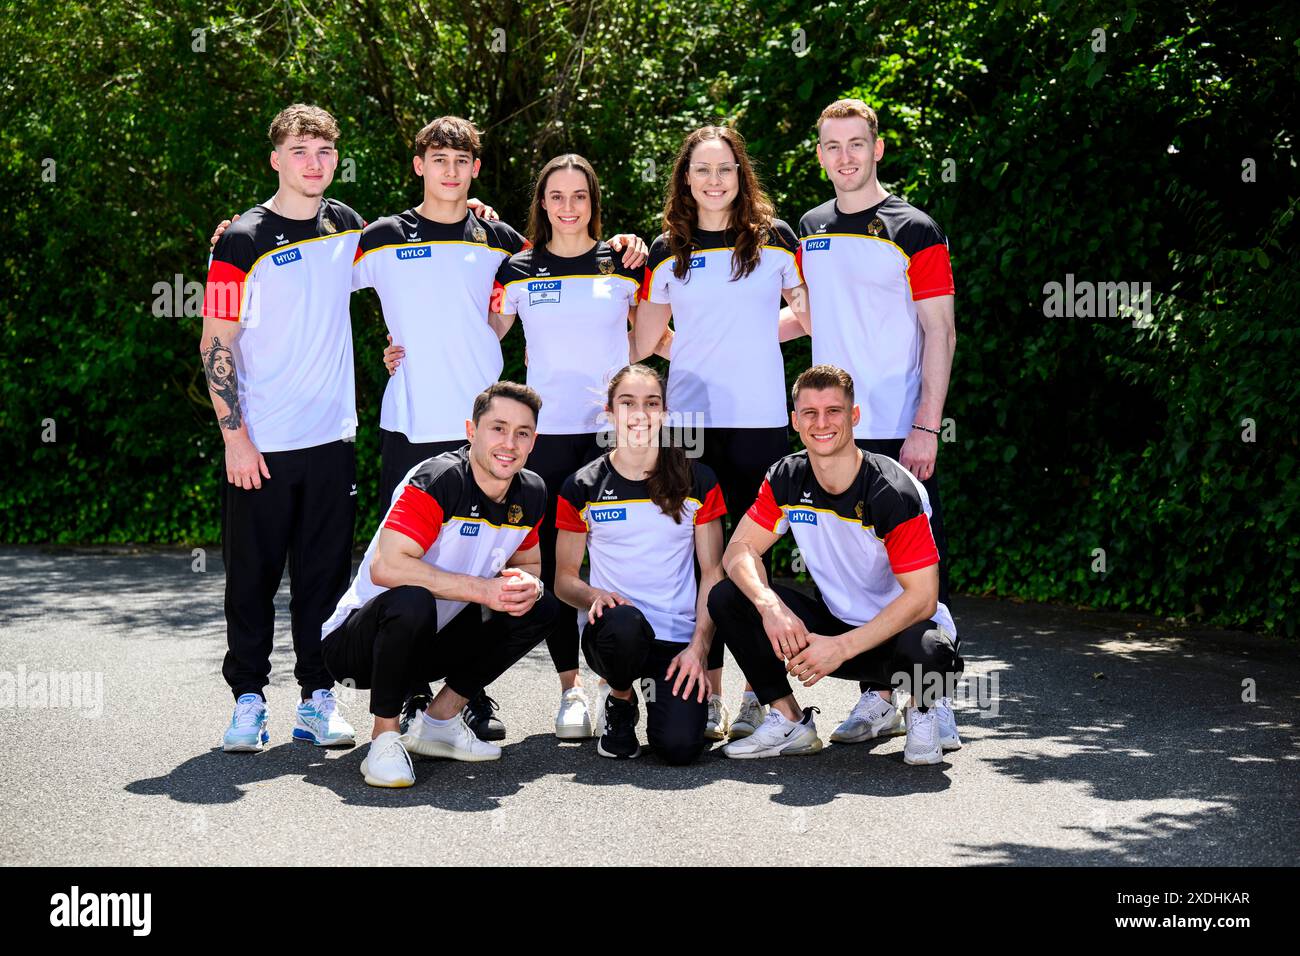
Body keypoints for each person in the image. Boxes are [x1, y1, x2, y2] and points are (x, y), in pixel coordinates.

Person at [632, 125, 809, 741]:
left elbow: (808, 316)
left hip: (759, 421)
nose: (714, 181)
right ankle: (704, 691)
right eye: (702, 170)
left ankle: (765, 695)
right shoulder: (666, 249)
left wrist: (761, 335)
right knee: (698, 556)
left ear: (742, 175)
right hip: (687, 426)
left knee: (754, 557)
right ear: (685, 178)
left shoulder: (774, 240)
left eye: (725, 169)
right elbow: (642, 341)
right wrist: (691, 351)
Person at [788, 100, 958, 739]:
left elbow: (939, 330)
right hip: (833, 428)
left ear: (877, 149)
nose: (845, 157)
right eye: (831, 146)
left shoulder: (915, 228)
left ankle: (933, 698)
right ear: (820, 154)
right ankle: (880, 696)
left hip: (897, 427)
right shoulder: (809, 228)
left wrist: (926, 424)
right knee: (854, 566)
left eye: (856, 144)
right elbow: (809, 320)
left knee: (915, 569)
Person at [202, 103, 361, 753]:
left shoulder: (345, 224)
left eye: (324, 150)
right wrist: (234, 437)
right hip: (260, 447)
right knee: (252, 580)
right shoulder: (239, 238)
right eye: (300, 150)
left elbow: (403, 274)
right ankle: (247, 701)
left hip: (332, 438)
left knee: (323, 582)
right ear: (275, 158)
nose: (314, 162)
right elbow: (215, 341)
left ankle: (316, 700)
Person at [707, 365, 963, 764]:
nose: (821, 423)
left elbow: (924, 598)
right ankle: (789, 719)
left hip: (896, 636)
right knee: (728, 595)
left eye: (833, 411)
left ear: (854, 416)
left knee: (930, 647)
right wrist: (771, 608)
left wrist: (840, 649)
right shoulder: (786, 477)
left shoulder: (892, 491)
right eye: (810, 413)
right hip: (837, 626)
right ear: (795, 421)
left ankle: (924, 707)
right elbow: (738, 550)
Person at [319, 382, 556, 787]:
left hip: (434, 640)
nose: (509, 442)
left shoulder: (531, 491)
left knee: (542, 604)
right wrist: (482, 590)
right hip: (359, 646)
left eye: (522, 433)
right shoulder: (440, 478)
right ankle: (385, 739)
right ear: (471, 430)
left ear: (533, 441)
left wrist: (528, 584)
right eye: (498, 428)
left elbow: (529, 562)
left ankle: (440, 722)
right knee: (412, 599)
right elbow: (387, 568)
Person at [553, 364, 727, 762]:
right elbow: (563, 580)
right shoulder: (582, 485)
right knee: (626, 623)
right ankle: (619, 698)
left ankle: (662, 697)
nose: (640, 413)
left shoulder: (696, 480)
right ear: (610, 413)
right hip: (614, 634)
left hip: (675, 641)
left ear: (664, 413)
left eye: (651, 403)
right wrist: (595, 594)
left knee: (681, 748)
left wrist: (698, 650)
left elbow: (713, 573)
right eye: (627, 402)